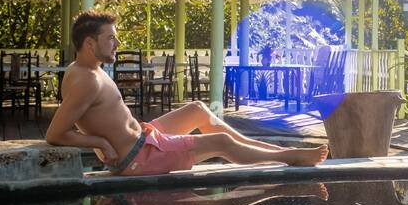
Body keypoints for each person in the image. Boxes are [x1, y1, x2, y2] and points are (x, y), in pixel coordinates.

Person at [46, 10, 329, 176]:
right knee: (220, 142)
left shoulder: (85, 69)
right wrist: (101, 143)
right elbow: (55, 134)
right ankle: (287, 157)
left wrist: (102, 140)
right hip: (139, 157)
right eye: (110, 38)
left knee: (197, 109)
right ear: (89, 43)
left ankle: (281, 150)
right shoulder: (86, 81)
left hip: (143, 137)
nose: (117, 43)